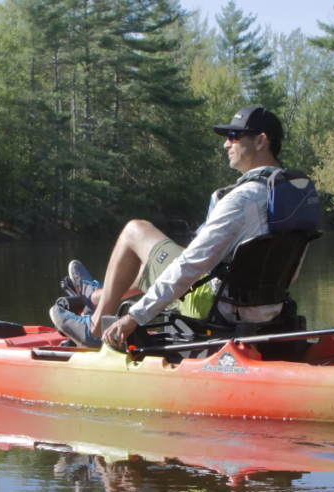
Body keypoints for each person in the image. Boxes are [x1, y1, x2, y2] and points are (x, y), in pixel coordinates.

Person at [50, 106, 287, 349]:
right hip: (265, 307)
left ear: (260, 141)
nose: (226, 144)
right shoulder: (288, 194)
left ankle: (94, 327)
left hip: (218, 306)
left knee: (135, 231)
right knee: (160, 255)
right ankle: (97, 297)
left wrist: (134, 317)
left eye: (234, 137)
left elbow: (188, 267)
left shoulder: (242, 199)